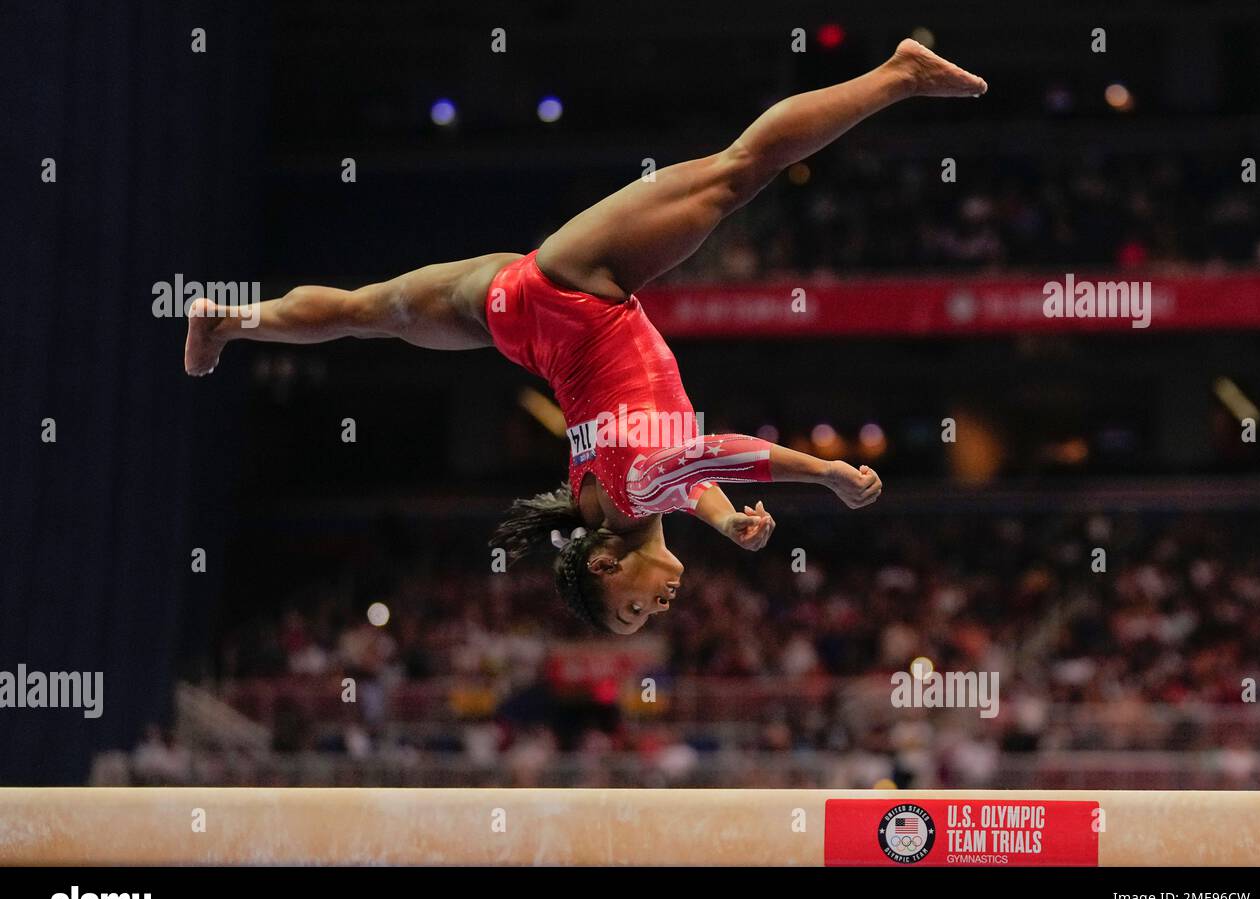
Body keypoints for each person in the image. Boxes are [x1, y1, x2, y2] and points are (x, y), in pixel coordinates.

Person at [184, 39, 987, 633]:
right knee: (370, 311)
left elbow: (714, 454)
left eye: (632, 605)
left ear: (605, 563)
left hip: (581, 284)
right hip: (509, 317)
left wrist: (828, 476)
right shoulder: (607, 501)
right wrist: (727, 522)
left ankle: (897, 75)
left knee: (738, 170)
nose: (656, 605)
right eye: (645, 615)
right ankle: (232, 319)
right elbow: (681, 477)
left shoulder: (633, 498)